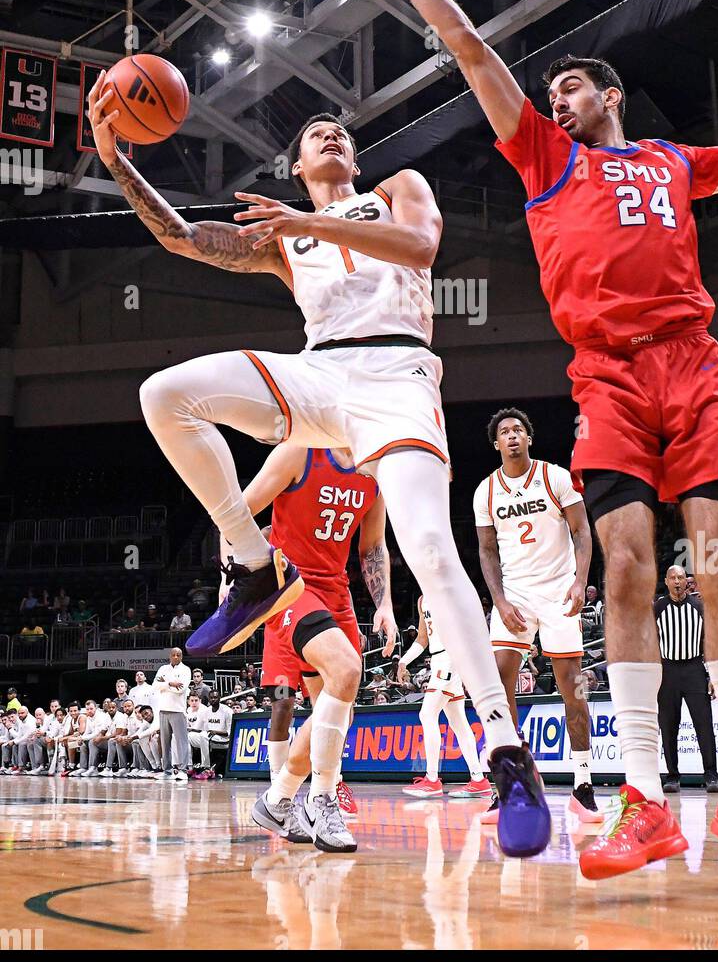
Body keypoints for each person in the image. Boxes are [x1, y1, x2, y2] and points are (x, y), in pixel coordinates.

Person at [348, 0, 718, 875]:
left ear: (609, 96)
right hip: (605, 375)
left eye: (569, 88)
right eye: (548, 91)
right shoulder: (544, 157)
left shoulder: (669, 161)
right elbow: (470, 51)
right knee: (631, 569)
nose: (553, 101)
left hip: (690, 363)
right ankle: (642, 799)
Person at [87, 66, 550, 859]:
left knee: (433, 555)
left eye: (341, 132)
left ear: (353, 161)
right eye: (313, 136)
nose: (330, 135)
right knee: (165, 393)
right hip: (322, 374)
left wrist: (314, 220)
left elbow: (420, 245)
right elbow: (185, 238)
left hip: (399, 377)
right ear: (297, 165)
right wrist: (116, 158)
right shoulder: (285, 235)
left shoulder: (396, 188)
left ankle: (508, 759)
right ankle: (251, 559)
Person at [231, 440, 397, 845]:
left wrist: (385, 603)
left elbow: (373, 547)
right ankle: (321, 800)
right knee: (336, 675)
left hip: (336, 593)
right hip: (290, 587)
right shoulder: (300, 453)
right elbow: (236, 512)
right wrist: (232, 576)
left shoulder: (375, 473)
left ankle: (279, 798)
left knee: (338, 712)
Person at [473, 407, 601, 824]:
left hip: (560, 593)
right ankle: (509, 782)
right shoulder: (485, 491)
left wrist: (581, 581)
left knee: (574, 688)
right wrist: (499, 600)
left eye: (518, 430)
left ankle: (582, 785)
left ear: (529, 438)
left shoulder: (555, 477)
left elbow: (583, 532)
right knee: (498, 684)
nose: (512, 436)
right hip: (515, 597)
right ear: (496, 444)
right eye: (504, 432)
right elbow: (487, 551)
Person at [397, 595, 491, 800]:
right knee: (458, 723)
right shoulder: (422, 599)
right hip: (439, 658)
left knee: (427, 714)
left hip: (450, 657)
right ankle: (478, 780)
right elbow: (423, 639)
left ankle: (432, 779)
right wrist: (403, 662)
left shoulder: (446, 589)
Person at [654, 566, 718, 794]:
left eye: (681, 577)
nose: (677, 581)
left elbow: (710, 643)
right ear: (666, 581)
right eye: (672, 577)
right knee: (668, 726)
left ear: (687, 581)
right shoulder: (658, 607)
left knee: (704, 725)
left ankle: (711, 775)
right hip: (667, 671)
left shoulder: (699, 606)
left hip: (694, 669)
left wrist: (712, 674)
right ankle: (672, 776)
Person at [154, 647, 192, 782]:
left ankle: (182, 770)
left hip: (178, 710)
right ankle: (167, 770)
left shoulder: (186, 670)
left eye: (178, 655)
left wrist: (164, 686)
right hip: (163, 709)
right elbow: (155, 685)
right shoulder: (163, 669)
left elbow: (181, 690)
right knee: (165, 743)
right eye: (173, 655)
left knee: (181, 741)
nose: (176, 657)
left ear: (181, 657)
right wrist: (170, 683)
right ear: (170, 656)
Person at [186, 694, 212, 779]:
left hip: (205, 734)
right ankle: (189, 767)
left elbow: (197, 728)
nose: (194, 703)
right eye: (192, 701)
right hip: (193, 734)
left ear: (200, 701)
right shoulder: (188, 710)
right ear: (188, 702)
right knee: (183, 737)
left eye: (196, 700)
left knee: (196, 736)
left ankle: (206, 767)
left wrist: (187, 729)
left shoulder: (204, 710)